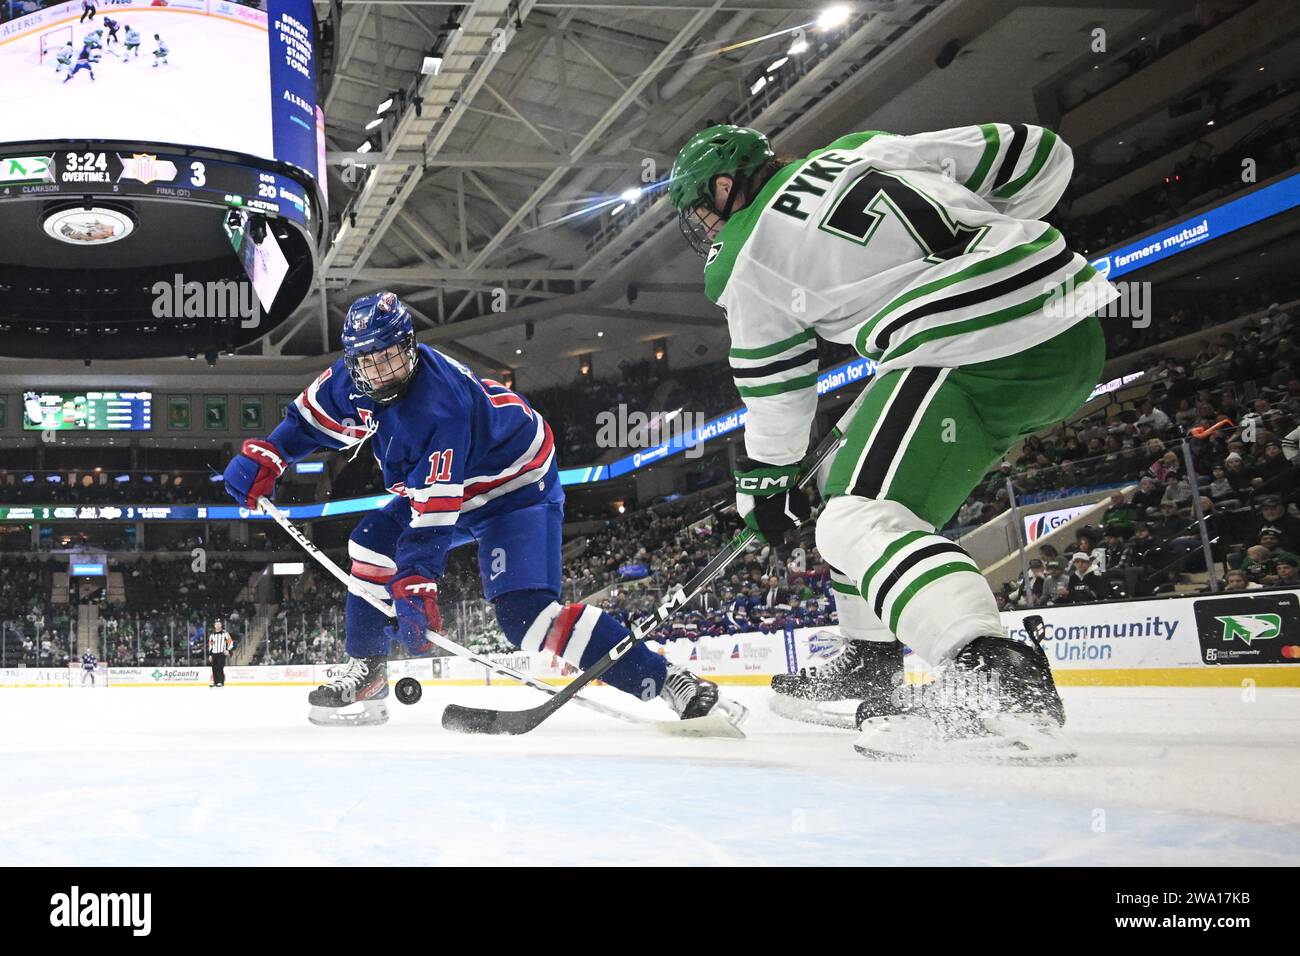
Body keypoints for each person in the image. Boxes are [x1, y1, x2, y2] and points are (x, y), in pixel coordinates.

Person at [669, 121, 1117, 758]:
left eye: (700, 210)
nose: (704, 228)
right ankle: (871, 656)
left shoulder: (747, 253)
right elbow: (1040, 153)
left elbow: (778, 392)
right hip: (1073, 326)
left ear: (724, 186)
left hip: (971, 340)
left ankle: (996, 676)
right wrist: (983, 240)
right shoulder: (862, 148)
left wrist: (763, 486)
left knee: (853, 517)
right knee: (846, 487)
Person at [223, 292, 741, 728]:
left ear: (410, 346)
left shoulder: (438, 405)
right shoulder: (351, 377)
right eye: (368, 361)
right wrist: (269, 454)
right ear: (353, 358)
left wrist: (417, 581)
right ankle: (368, 673)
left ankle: (666, 679)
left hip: (515, 488)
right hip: (449, 484)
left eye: (391, 357)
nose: (381, 372)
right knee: (368, 545)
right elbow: (307, 420)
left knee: (528, 619)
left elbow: (435, 510)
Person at [208, 619, 233, 687]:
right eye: (216, 624)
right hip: (214, 653)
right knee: (214, 668)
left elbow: (230, 642)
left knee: (220, 667)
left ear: (221, 625)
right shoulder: (212, 635)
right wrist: (210, 655)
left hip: (221, 653)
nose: (218, 626)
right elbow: (210, 646)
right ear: (214, 626)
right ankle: (215, 682)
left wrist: (228, 650)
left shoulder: (225, 633)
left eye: (219, 624)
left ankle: (221, 682)